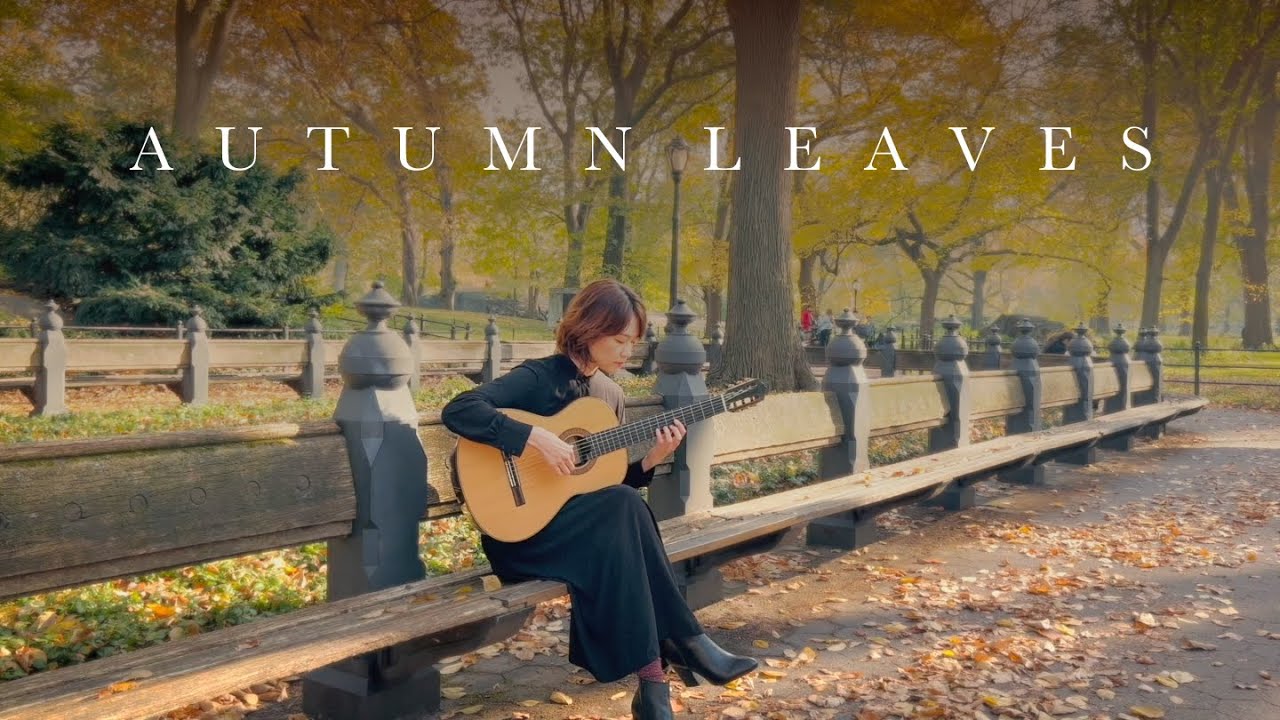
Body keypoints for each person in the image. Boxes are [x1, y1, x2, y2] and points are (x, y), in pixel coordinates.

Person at [442, 279, 757, 720]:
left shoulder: (609, 396)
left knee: (624, 507)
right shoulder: (538, 377)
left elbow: (606, 487)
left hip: (579, 535)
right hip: (519, 534)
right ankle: (686, 646)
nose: (627, 352)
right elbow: (458, 410)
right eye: (619, 340)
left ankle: (654, 685)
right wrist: (533, 439)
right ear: (588, 328)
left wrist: (651, 459)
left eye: (633, 342)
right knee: (626, 511)